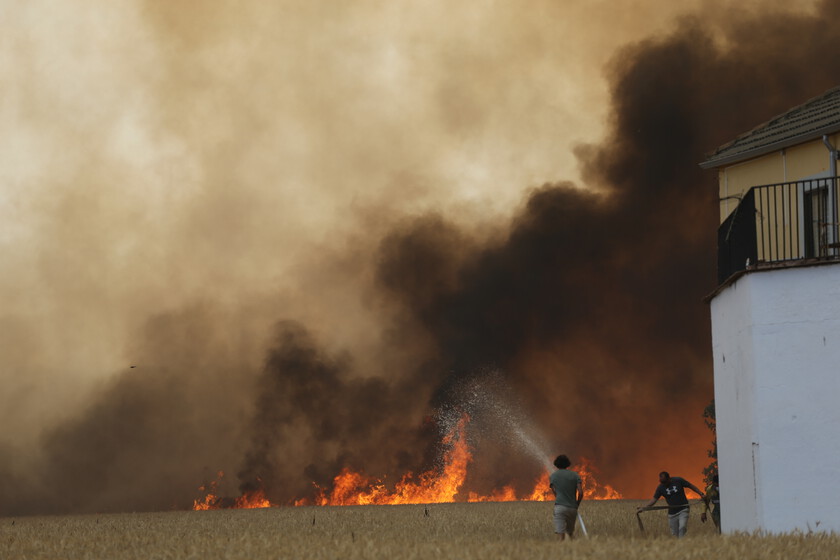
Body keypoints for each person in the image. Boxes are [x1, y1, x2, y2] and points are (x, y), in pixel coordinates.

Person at [637, 471, 705, 538]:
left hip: (683, 509)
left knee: (682, 527)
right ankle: (678, 546)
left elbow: (690, 486)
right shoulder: (660, 487)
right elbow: (654, 499)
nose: (664, 484)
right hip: (672, 513)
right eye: (662, 482)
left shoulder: (678, 480)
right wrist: (644, 508)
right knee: (674, 534)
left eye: (665, 482)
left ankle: (681, 544)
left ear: (669, 478)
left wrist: (701, 494)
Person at [549, 454, 583, 540]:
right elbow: (581, 492)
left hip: (560, 507)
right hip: (572, 508)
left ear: (556, 464)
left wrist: (559, 497)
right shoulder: (575, 475)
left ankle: (560, 552)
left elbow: (554, 490)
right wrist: (577, 504)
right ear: (567, 464)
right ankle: (578, 550)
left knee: (561, 536)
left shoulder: (553, 476)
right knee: (570, 533)